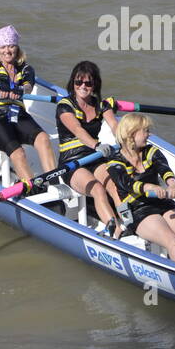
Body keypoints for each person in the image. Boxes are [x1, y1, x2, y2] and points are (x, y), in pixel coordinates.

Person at [106, 113, 175, 272]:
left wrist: (172, 185)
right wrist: (148, 187)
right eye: (145, 131)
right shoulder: (114, 162)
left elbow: (164, 169)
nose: (149, 134)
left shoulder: (151, 151)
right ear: (131, 134)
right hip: (138, 208)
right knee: (172, 241)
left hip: (162, 201)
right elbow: (127, 184)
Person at [0, 26, 56, 182]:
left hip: (18, 115)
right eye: (3, 47)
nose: (7, 50)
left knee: (43, 139)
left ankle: (54, 182)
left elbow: (28, 86)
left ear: (17, 47)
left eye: (11, 46)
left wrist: (21, 89)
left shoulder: (25, 68)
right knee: (18, 153)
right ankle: (32, 191)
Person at [55, 61, 122, 233]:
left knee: (116, 185)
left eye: (88, 83)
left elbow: (115, 126)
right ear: (73, 83)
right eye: (79, 82)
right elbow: (78, 130)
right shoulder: (64, 106)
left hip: (95, 158)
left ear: (95, 85)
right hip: (72, 161)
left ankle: (129, 223)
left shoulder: (102, 105)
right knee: (98, 189)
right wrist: (97, 145)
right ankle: (115, 231)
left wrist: (127, 139)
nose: (83, 86)